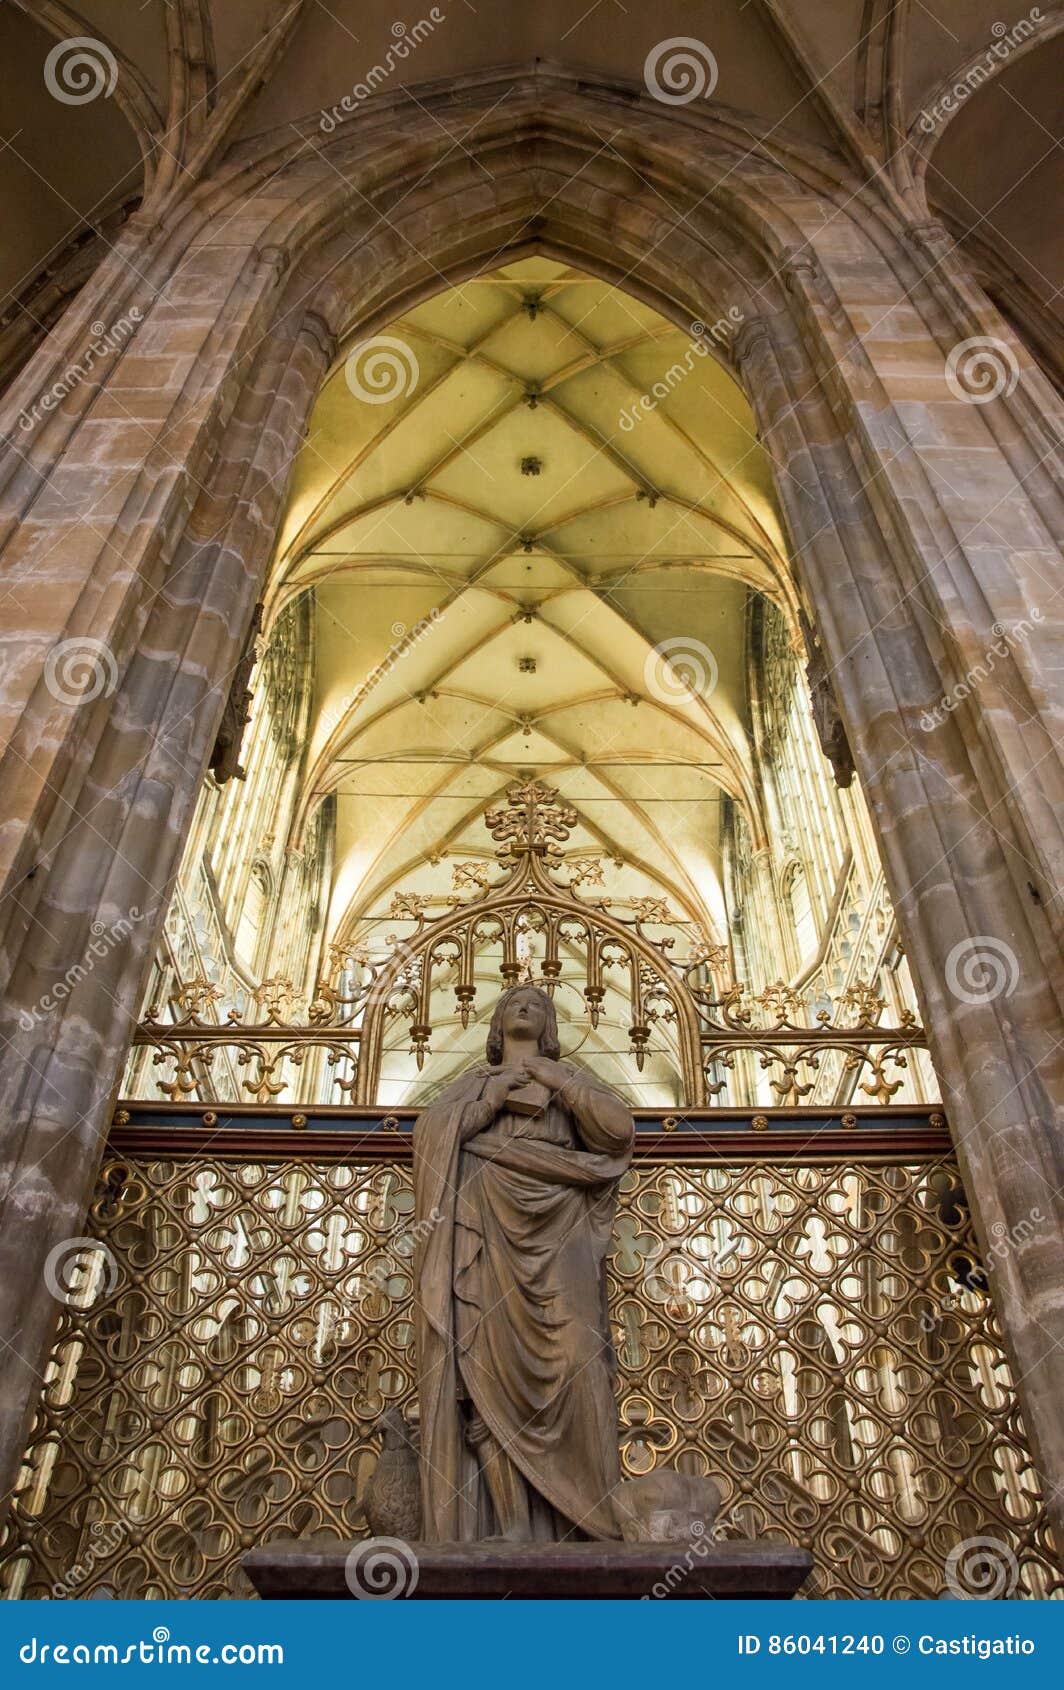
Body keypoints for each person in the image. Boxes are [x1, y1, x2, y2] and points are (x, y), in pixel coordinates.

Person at [412, 983, 635, 1541]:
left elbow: (618, 1133)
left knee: (579, 1358)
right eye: (514, 1002)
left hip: (560, 1229)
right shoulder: (475, 1083)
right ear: (495, 1025)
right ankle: (510, 1526)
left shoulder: (569, 1080)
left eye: (537, 1003)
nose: (525, 1006)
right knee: (484, 1372)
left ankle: (592, 1520)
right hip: (487, 1231)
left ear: (551, 1027)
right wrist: (490, 1101)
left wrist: (560, 1082)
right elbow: (430, 1136)